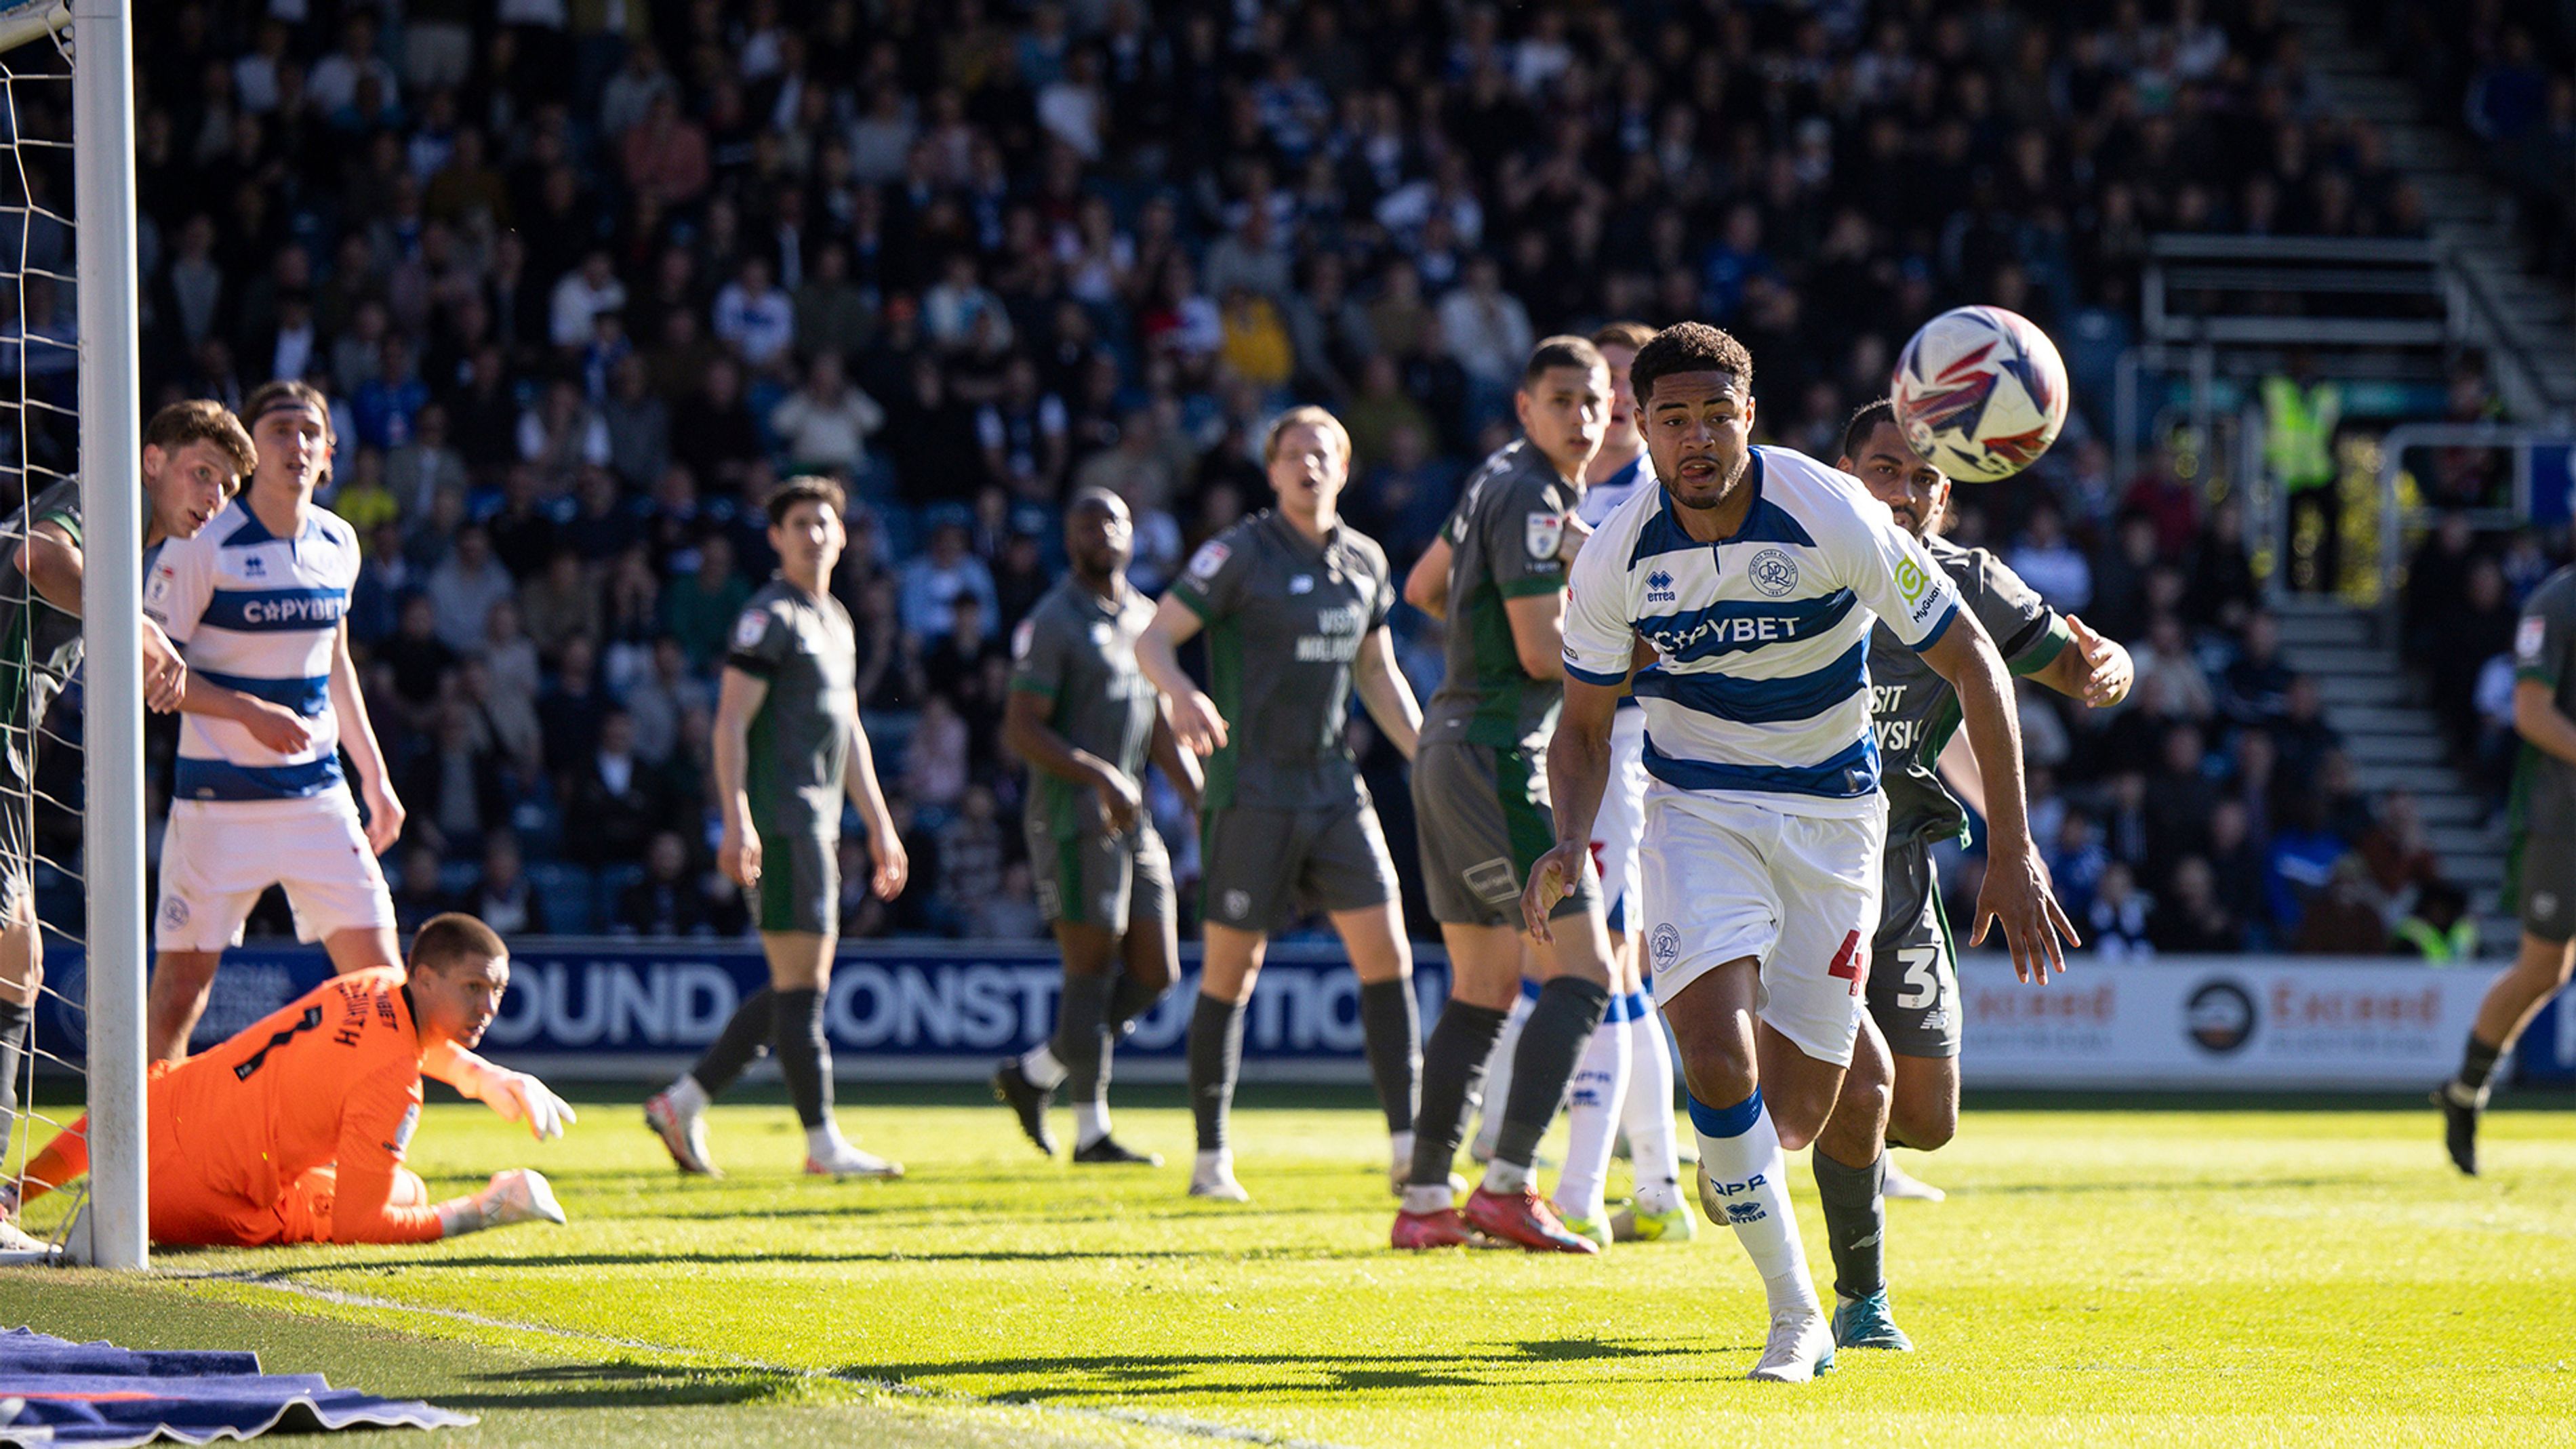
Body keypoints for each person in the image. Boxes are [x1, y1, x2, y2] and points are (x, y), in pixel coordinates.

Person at [1528, 323, 2074, 1383]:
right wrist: (1568, 838)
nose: (1696, 437)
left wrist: (2012, 849)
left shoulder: (1834, 508)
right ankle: (1795, 1314)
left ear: (1750, 418)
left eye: (1716, 415)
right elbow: (1585, 727)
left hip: (1835, 821)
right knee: (1718, 1060)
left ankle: (1808, 1238)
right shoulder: (1616, 553)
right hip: (1698, 811)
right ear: (1641, 428)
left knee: (1798, 1109)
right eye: (1673, 418)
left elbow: (1979, 667)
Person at [141, 382, 569, 1140]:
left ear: (329, 453)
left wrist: (374, 775)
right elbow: (154, 671)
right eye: (278, 429)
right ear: (250, 448)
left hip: (316, 796)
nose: (295, 444)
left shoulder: (339, 541)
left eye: (310, 431)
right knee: (178, 994)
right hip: (217, 802)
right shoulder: (199, 544)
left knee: (382, 989)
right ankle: (143, 1158)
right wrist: (249, 712)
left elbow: (334, 659)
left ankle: (378, 1150)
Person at [1813, 397, 2134, 1349]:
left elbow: (2077, 669)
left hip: (1902, 866)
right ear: (1843, 478)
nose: (1907, 494)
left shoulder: (1967, 583)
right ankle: (1859, 1292)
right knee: (1855, 1085)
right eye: (1885, 471)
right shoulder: (1795, 568)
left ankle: (1779, 1124)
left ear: (1947, 497)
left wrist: (2109, 666)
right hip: (1791, 859)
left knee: (1930, 1117)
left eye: (1924, 480)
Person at [1135, 406, 1424, 1202]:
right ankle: (1210, 1156)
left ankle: (1409, 1151)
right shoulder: (1237, 552)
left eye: (1322, 451)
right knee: (1233, 968)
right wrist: (1183, 694)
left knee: (1388, 956)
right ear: (1271, 471)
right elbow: (1152, 639)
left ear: (1344, 465)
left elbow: (1378, 675)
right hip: (1250, 792)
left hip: (1334, 789)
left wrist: (1429, 758)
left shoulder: (1364, 560)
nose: (1308, 464)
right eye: (1293, 453)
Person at [1390, 335, 1619, 1254]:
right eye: (1561, 400)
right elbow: (1538, 654)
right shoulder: (1534, 494)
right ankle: (1510, 1184)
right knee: (1588, 974)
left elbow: (1424, 588)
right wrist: (1638, 643)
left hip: (1449, 746)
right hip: (1498, 755)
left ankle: (1423, 1200)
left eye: (1595, 401)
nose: (1581, 417)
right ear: (1526, 407)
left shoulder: (1496, 479)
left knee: (1483, 984)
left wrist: (1492, 620)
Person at [1466, 319, 1693, 1244]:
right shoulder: (1533, 489)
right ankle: (1660, 1183)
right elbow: (1434, 585)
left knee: (1598, 963)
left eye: (1614, 391)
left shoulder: (1659, 495)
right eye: (1588, 390)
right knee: (1586, 963)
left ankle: (1585, 1184)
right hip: (1551, 741)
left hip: (1624, 747)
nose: (1604, 409)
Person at [0, 400, 254, 1183]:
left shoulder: (130, 562)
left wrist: (247, 710)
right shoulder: (100, 500)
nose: (212, 497)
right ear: (151, 460)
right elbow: (37, 558)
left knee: (19, 959)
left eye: (225, 487)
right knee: (14, 954)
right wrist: (134, 625)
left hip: (9, 758)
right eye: (200, 472)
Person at [644, 476, 910, 1179]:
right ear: (775, 537)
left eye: (823, 521)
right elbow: (730, 720)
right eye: (798, 523)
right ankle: (822, 1143)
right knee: (803, 989)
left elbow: (849, 728)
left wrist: (879, 822)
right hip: (784, 819)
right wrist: (735, 816)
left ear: (843, 534)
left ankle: (683, 1100)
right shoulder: (769, 616)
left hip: (819, 822)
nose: (813, 533)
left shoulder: (836, 620)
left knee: (797, 985)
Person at [8, 915, 565, 1247]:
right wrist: (479, 1211)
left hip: (161, 1109)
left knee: (155, 1088)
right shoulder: (394, 1082)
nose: (488, 1006)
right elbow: (357, 1225)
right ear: (423, 977)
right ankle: (500, 1203)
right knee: (404, 1195)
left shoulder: (373, 982)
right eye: (473, 987)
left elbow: (401, 1043)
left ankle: (13, 1192)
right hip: (198, 1195)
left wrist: (480, 1078)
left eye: (496, 991)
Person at [991, 490, 1199, 1166]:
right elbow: (1020, 727)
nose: (1099, 533)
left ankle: (1036, 1071)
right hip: (1071, 816)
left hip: (1132, 819)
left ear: (1132, 533)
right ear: (1067, 538)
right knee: (1089, 969)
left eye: (1110, 521)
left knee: (1156, 969)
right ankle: (1091, 1131)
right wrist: (1100, 773)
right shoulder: (1053, 621)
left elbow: (1157, 717)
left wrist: (1192, 788)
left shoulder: (1144, 616)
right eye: (1084, 524)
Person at [2437, 558, 2576, 1175]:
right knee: (2544, 969)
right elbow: (2531, 714)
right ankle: (2466, 1092)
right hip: (2561, 819)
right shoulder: (2556, 603)